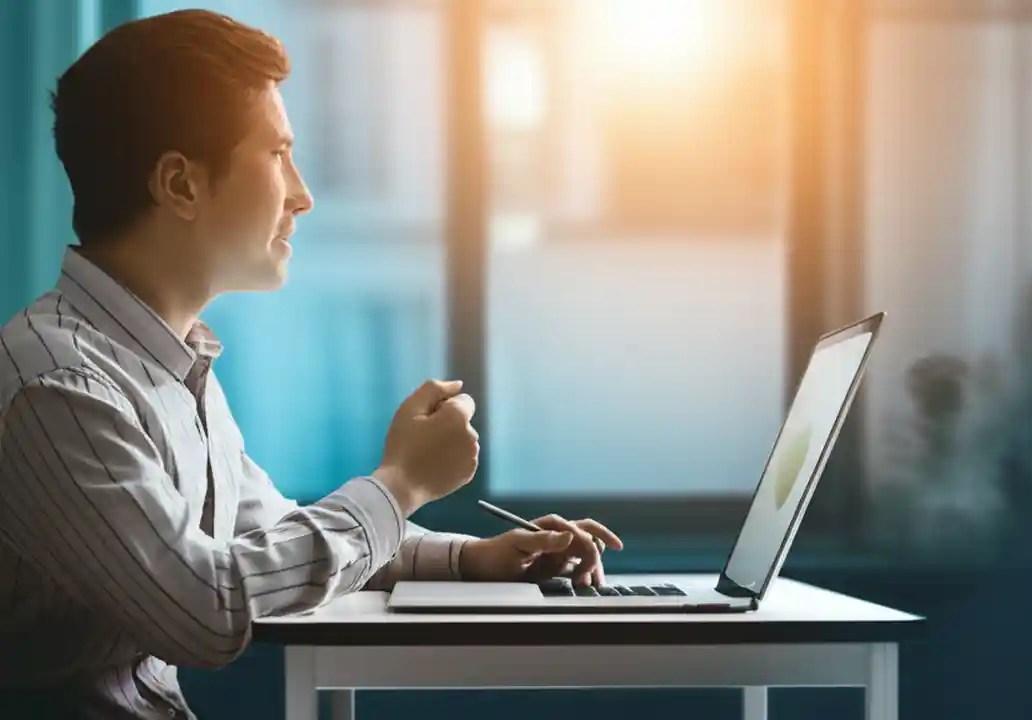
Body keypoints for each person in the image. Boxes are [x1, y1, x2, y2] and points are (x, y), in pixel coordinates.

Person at [0, 9, 622, 718]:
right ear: (180, 185)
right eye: (277, 155)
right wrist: (401, 482)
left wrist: (470, 558)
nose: (302, 193)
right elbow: (206, 606)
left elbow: (275, 544)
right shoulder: (59, 386)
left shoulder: (167, 365)